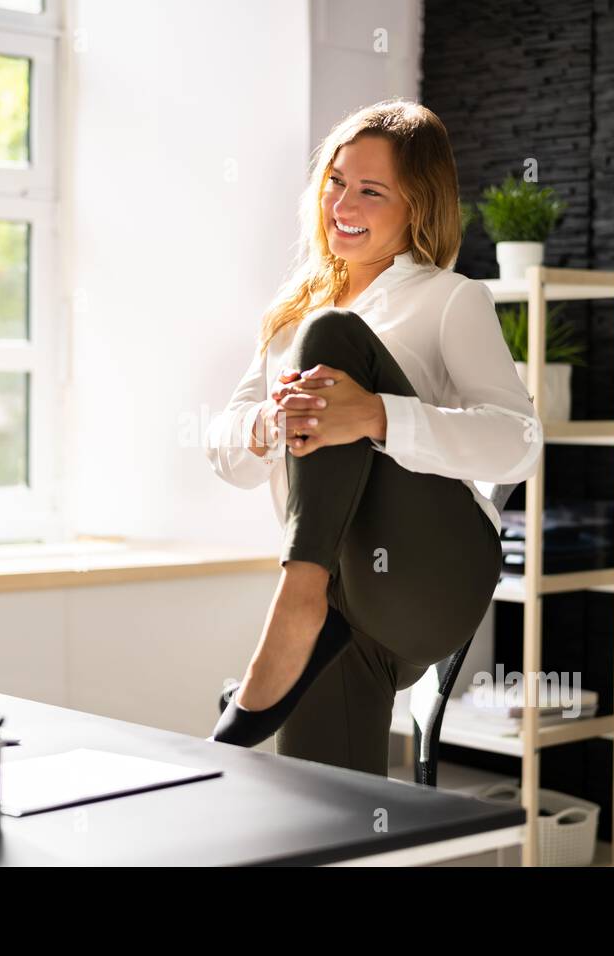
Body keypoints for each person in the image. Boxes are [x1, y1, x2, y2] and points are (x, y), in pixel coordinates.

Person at [202, 98, 543, 776]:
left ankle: (297, 598)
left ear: (416, 205)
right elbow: (225, 452)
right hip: (349, 597)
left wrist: (379, 416)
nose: (342, 203)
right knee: (323, 810)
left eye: (370, 190)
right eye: (335, 181)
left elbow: (519, 443)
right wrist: (276, 421)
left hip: (430, 570)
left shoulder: (450, 298)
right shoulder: (292, 310)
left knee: (331, 341)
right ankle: (311, 615)